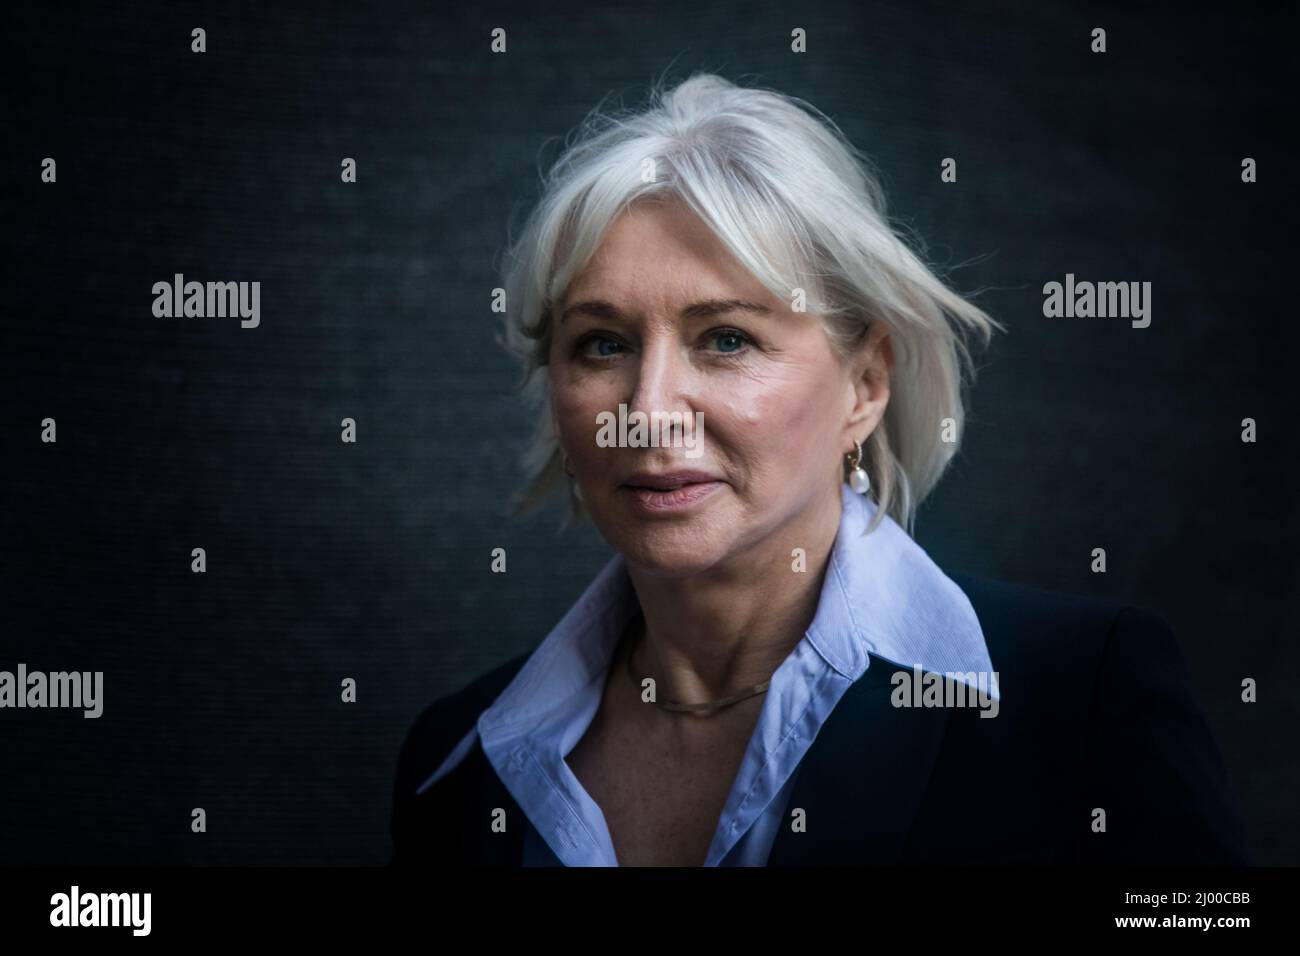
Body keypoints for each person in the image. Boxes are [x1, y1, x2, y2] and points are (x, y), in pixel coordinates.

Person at [390, 73, 1250, 866]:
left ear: (865, 387)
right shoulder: (461, 757)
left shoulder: (1081, 699)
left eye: (726, 339)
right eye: (602, 343)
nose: (647, 408)